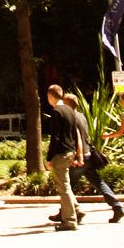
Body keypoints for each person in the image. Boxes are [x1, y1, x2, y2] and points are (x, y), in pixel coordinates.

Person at [49, 94, 124, 224]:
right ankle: (117, 206)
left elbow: (77, 138)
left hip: (79, 157)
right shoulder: (82, 116)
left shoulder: (70, 117)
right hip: (88, 155)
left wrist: (78, 157)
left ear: (67, 104)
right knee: (98, 182)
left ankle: (71, 213)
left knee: (66, 186)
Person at [43, 84, 83, 231]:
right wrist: (76, 153)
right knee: (66, 185)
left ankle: (70, 221)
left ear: (50, 96)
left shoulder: (56, 112)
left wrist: (49, 158)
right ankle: (76, 210)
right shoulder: (69, 110)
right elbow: (75, 134)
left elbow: (55, 137)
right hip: (70, 151)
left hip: (60, 153)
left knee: (63, 188)